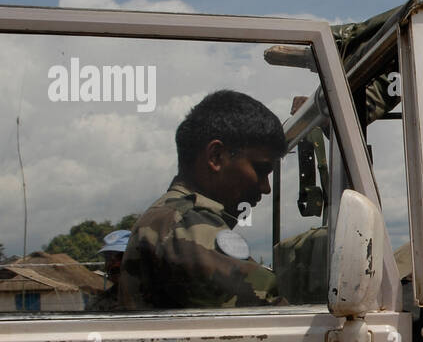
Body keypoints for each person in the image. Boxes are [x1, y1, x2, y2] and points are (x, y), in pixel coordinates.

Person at [120, 90, 287, 309]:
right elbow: (271, 311)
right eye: (261, 169)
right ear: (216, 157)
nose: (265, 188)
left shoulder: (170, 218)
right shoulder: (185, 225)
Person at [89, 228, 130, 310]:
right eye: (108, 258)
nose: (114, 264)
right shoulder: (99, 303)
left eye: (119, 256)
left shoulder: (154, 296)